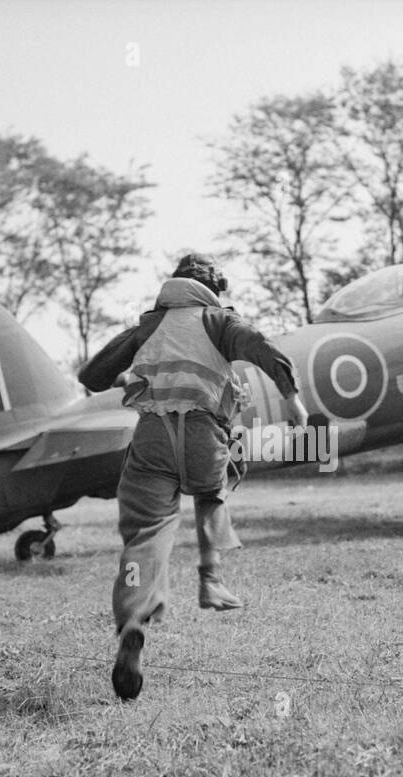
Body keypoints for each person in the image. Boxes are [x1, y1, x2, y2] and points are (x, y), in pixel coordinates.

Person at [78, 253, 308, 701]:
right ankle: (211, 576)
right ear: (211, 289)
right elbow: (262, 347)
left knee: (144, 536)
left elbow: (92, 375)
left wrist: (129, 374)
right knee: (216, 485)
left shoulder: (148, 325)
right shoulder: (220, 321)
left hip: (153, 439)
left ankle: (132, 620)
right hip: (205, 436)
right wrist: (292, 398)